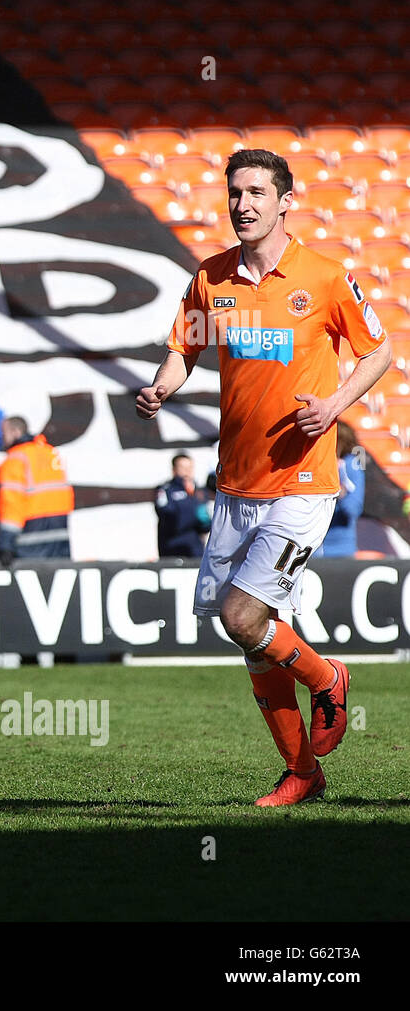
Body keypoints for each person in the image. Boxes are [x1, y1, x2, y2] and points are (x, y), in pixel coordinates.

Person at [136, 148, 390, 807]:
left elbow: (379, 350)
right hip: (235, 488)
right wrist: (163, 387)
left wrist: (336, 404)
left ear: (285, 200)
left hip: (302, 482)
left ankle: (329, 677)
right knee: (249, 636)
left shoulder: (325, 278)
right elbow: (184, 345)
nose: (242, 203)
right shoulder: (210, 279)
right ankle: (302, 771)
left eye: (255, 192)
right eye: (235, 192)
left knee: (242, 613)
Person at [0, 416, 73, 563]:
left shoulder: (15, 459)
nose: (2, 438)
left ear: (16, 432)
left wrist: (5, 544)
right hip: (60, 537)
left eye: (4, 434)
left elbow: (11, 503)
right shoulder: (50, 453)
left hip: (30, 541)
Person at [318, 421, 364, 558]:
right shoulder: (315, 465)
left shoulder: (351, 465)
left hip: (340, 550)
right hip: (311, 549)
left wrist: (339, 486)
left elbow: (353, 510)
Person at [155, 453, 210, 557]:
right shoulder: (166, 490)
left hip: (196, 550)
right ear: (174, 469)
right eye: (183, 467)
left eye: (190, 467)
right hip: (172, 549)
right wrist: (193, 515)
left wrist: (206, 522)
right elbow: (168, 516)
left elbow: (206, 525)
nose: (187, 471)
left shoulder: (200, 491)